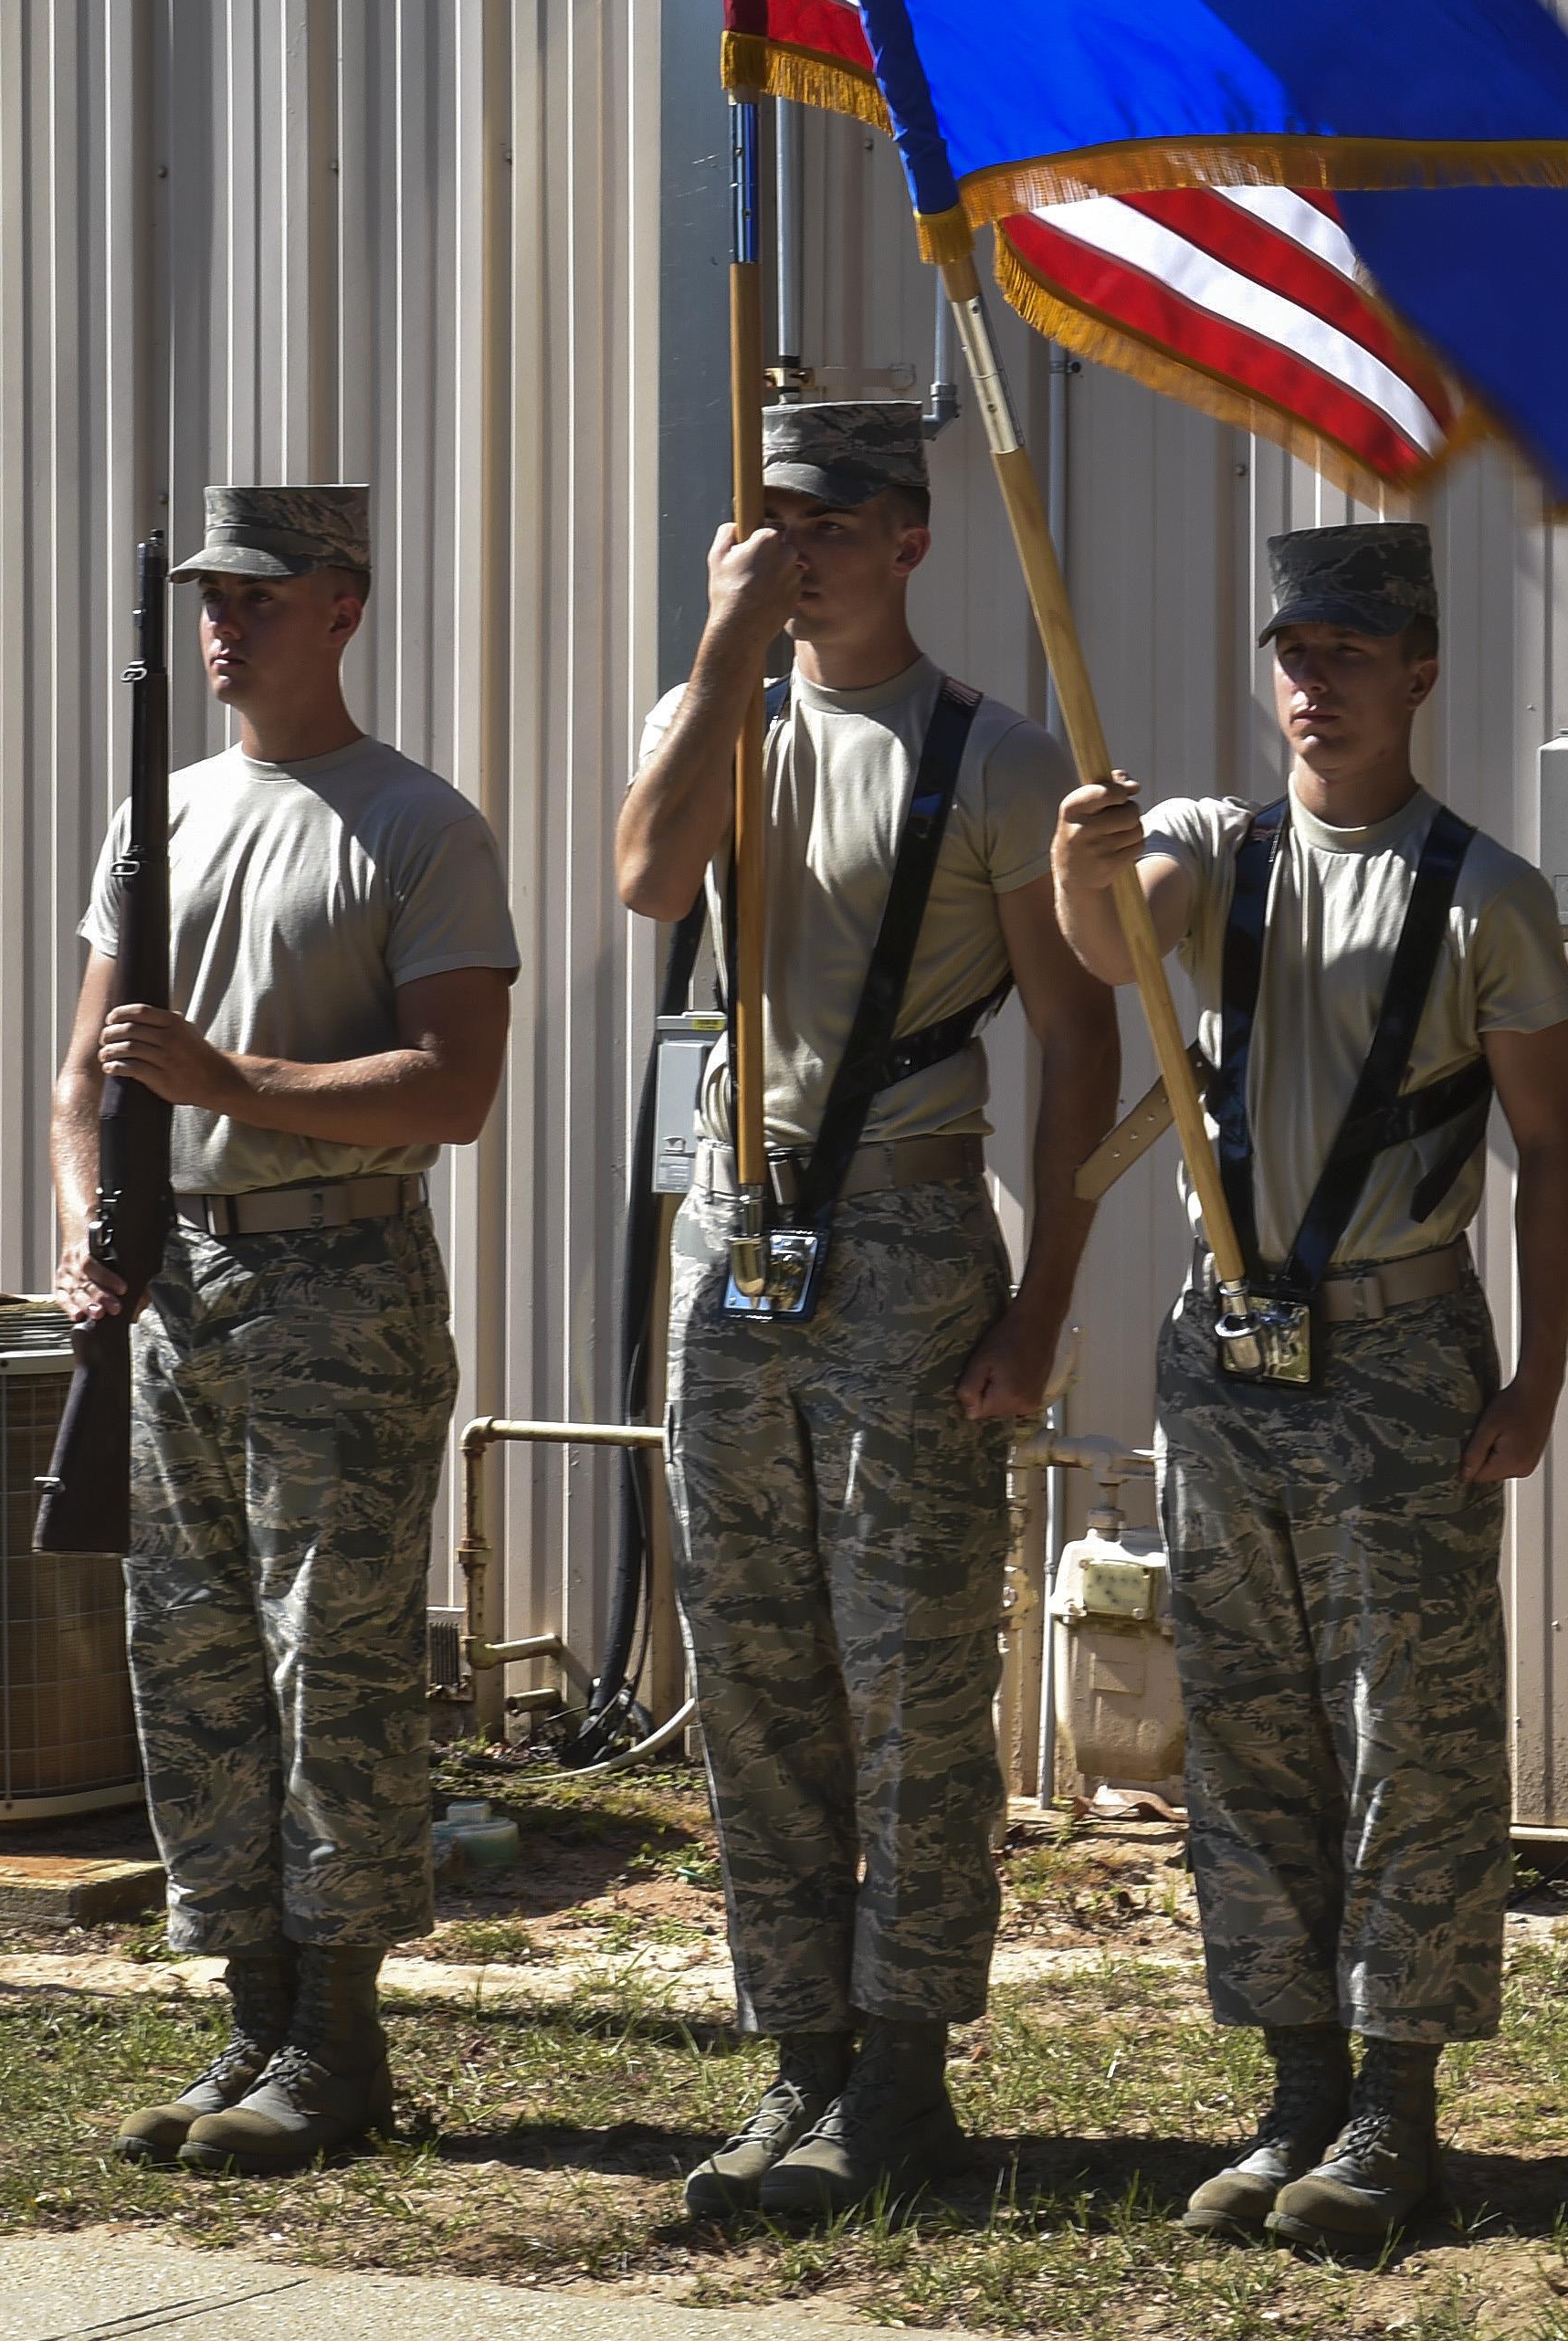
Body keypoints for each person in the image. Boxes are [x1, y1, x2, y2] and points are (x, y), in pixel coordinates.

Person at [1051, 520, 1568, 2257]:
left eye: (1352, 654)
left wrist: (1541, 1372)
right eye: (1295, 654)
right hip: (1228, 1356)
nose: (1317, 684)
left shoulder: (1489, 893)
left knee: (1408, 1740)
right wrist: (1080, 863)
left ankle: (1392, 2115)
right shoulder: (1218, 849)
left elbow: (1555, 1154)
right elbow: (1117, 943)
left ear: (1420, 670)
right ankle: (1293, 2086)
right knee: (1251, 1731)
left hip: (1400, 1354)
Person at [613, 400, 1122, 2219]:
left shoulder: (991, 758)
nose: (800, 551)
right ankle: (797, 2049)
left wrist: (1044, 1300)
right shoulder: (718, 719)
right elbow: (646, 878)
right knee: (752, 1671)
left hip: (907, 1237)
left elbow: (1078, 1040)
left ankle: (901, 2066)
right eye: (772, 520)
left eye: (831, 521)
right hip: (734, 1241)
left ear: (910, 536)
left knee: (909, 1676)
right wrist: (718, 648)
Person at [52, 484, 521, 2178]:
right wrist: (87, 1225)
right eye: (209, 596)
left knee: (337, 1662)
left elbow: (453, 1088)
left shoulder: (416, 824)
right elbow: (85, 1076)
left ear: (342, 605)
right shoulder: (160, 818)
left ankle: (336, 2035)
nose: (222, 625)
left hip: (341, 1281)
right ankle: (251, 2016)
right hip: (176, 1288)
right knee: (194, 1659)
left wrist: (232, 1082)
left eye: (256, 595)